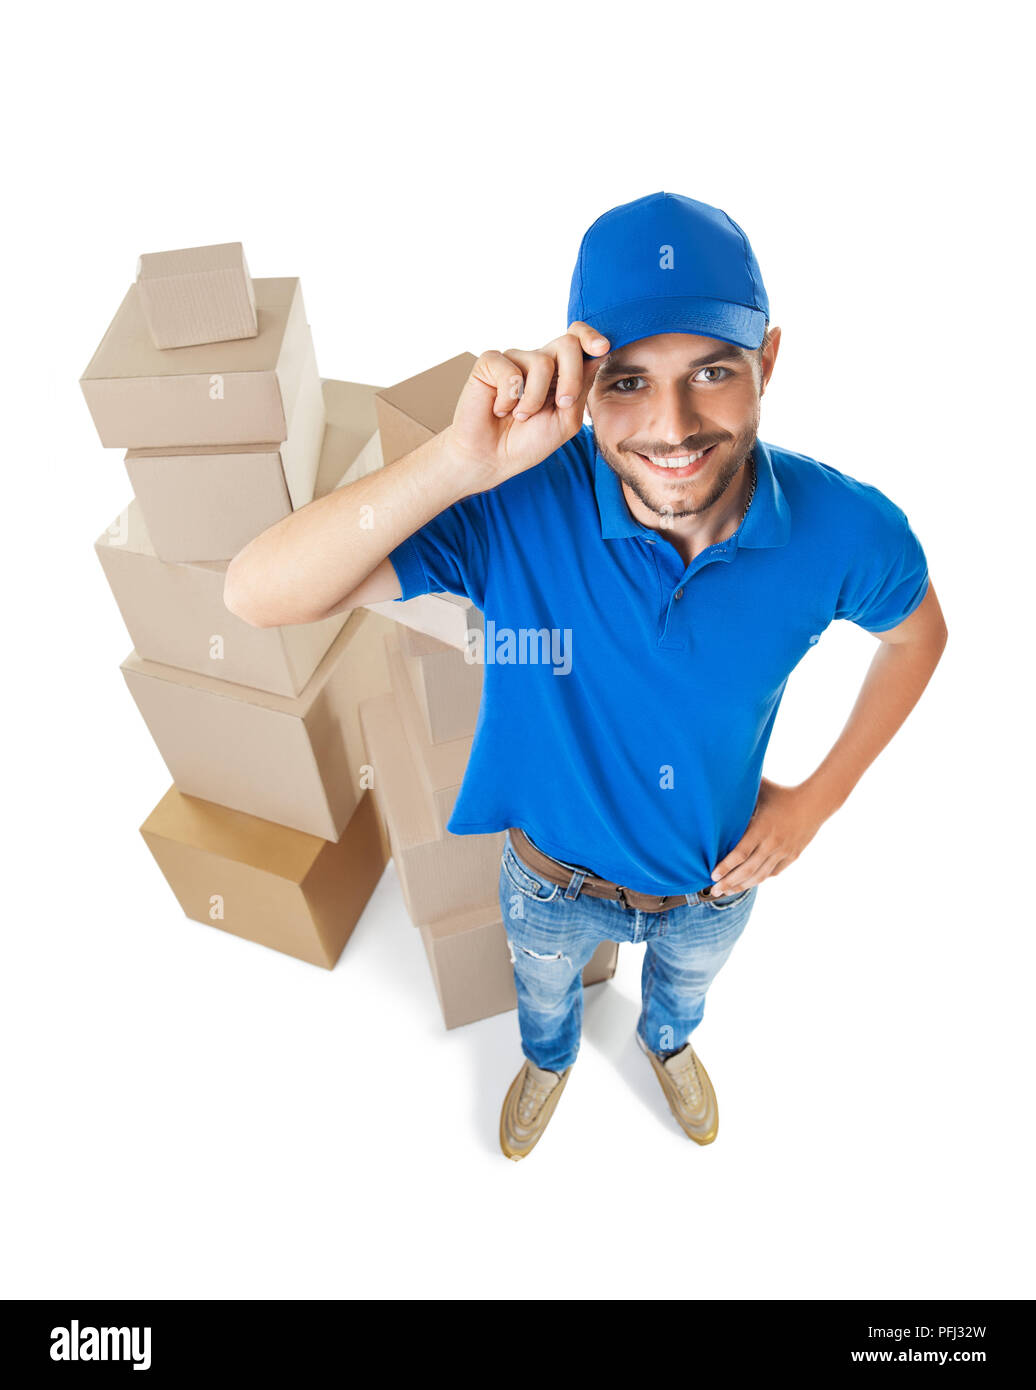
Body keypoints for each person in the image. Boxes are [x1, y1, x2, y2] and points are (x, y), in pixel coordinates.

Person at [223, 191, 948, 1161]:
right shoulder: (517, 504)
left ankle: (666, 1041)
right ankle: (550, 1059)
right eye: (626, 382)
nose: (672, 426)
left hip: (712, 880)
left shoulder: (847, 532)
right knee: (544, 996)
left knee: (684, 995)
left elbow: (918, 638)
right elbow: (257, 593)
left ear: (767, 361)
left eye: (712, 372)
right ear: (581, 385)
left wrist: (815, 801)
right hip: (550, 881)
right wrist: (456, 460)